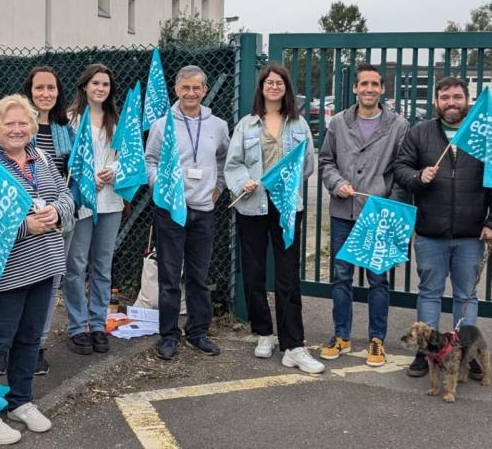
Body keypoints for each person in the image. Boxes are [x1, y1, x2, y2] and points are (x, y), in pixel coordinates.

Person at [0, 95, 74, 445]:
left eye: (23, 123)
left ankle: (20, 401)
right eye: (9, 124)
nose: (16, 129)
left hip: (45, 264)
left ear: (31, 127)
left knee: (30, 338)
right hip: (6, 271)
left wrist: (57, 212)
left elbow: (65, 195)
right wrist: (26, 226)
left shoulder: (40, 157)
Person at [392, 76, 492, 379]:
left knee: (466, 296)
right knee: (429, 293)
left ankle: (465, 352)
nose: (451, 103)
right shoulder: (420, 133)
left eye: (457, 97)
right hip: (430, 232)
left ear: (467, 99)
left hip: (472, 234)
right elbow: (401, 170)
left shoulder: (482, 135)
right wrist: (419, 176)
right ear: (436, 101)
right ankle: (424, 353)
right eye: (445, 97)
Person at [224, 63, 324, 374]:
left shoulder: (298, 124)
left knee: (287, 275)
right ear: (262, 88)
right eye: (269, 82)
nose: (274, 87)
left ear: (286, 89)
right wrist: (244, 183)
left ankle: (293, 345)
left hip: (286, 208)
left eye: (279, 83)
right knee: (253, 273)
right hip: (253, 206)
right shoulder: (246, 125)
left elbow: (306, 164)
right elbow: (233, 163)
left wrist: (287, 185)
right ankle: (264, 333)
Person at [317, 62, 409, 367]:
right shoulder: (339, 123)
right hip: (344, 211)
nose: (369, 89)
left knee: (378, 279)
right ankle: (341, 335)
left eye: (375, 84)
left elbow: (401, 170)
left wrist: (388, 205)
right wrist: (337, 183)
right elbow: (326, 161)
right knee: (341, 277)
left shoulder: (398, 126)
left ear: (382, 89)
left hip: (378, 213)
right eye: (363, 84)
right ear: (355, 88)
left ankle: (376, 339)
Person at [144, 65, 230, 361]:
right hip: (170, 211)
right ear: (176, 90)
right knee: (169, 276)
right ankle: (168, 335)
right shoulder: (161, 124)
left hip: (203, 209)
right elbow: (150, 160)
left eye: (196, 88)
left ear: (205, 91)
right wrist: (161, 187)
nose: (191, 93)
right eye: (185, 88)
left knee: (198, 276)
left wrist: (218, 187)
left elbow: (223, 159)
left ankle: (197, 332)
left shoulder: (218, 125)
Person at [64, 64, 125, 356]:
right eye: (95, 83)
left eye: (105, 84)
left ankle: (98, 324)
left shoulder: (118, 120)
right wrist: (86, 178)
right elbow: (64, 161)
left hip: (111, 201)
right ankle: (78, 326)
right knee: (76, 265)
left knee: (102, 265)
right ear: (85, 86)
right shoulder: (69, 120)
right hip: (82, 203)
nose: (101, 88)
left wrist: (112, 170)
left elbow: (130, 157)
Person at [22, 66, 74, 375]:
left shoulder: (65, 130)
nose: (45, 94)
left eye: (51, 88)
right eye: (39, 88)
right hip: (24, 223)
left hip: (57, 220)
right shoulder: (18, 126)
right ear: (29, 91)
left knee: (49, 284)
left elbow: (72, 174)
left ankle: (37, 347)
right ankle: (9, 347)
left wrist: (60, 210)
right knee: (17, 287)